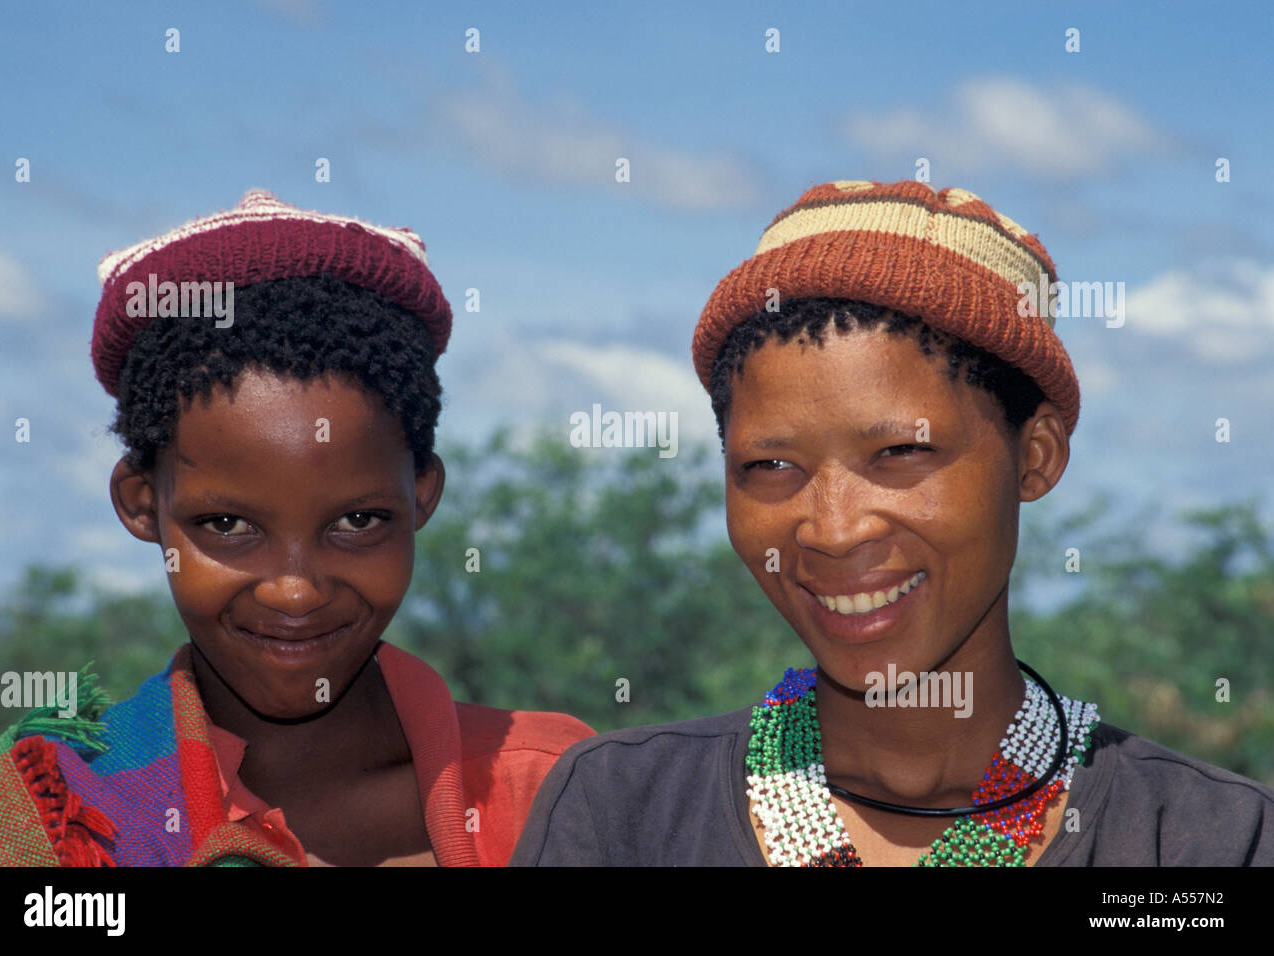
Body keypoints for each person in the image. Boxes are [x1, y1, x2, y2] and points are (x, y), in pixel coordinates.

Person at [511, 179, 1274, 866]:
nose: (833, 531)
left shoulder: (1204, 842)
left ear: (1035, 457)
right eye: (771, 467)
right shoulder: (622, 814)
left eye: (902, 451)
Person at [0, 190, 592, 867]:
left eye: (357, 521)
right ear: (141, 503)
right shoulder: (36, 825)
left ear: (422, 495)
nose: (294, 593)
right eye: (228, 524)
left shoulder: (567, 790)